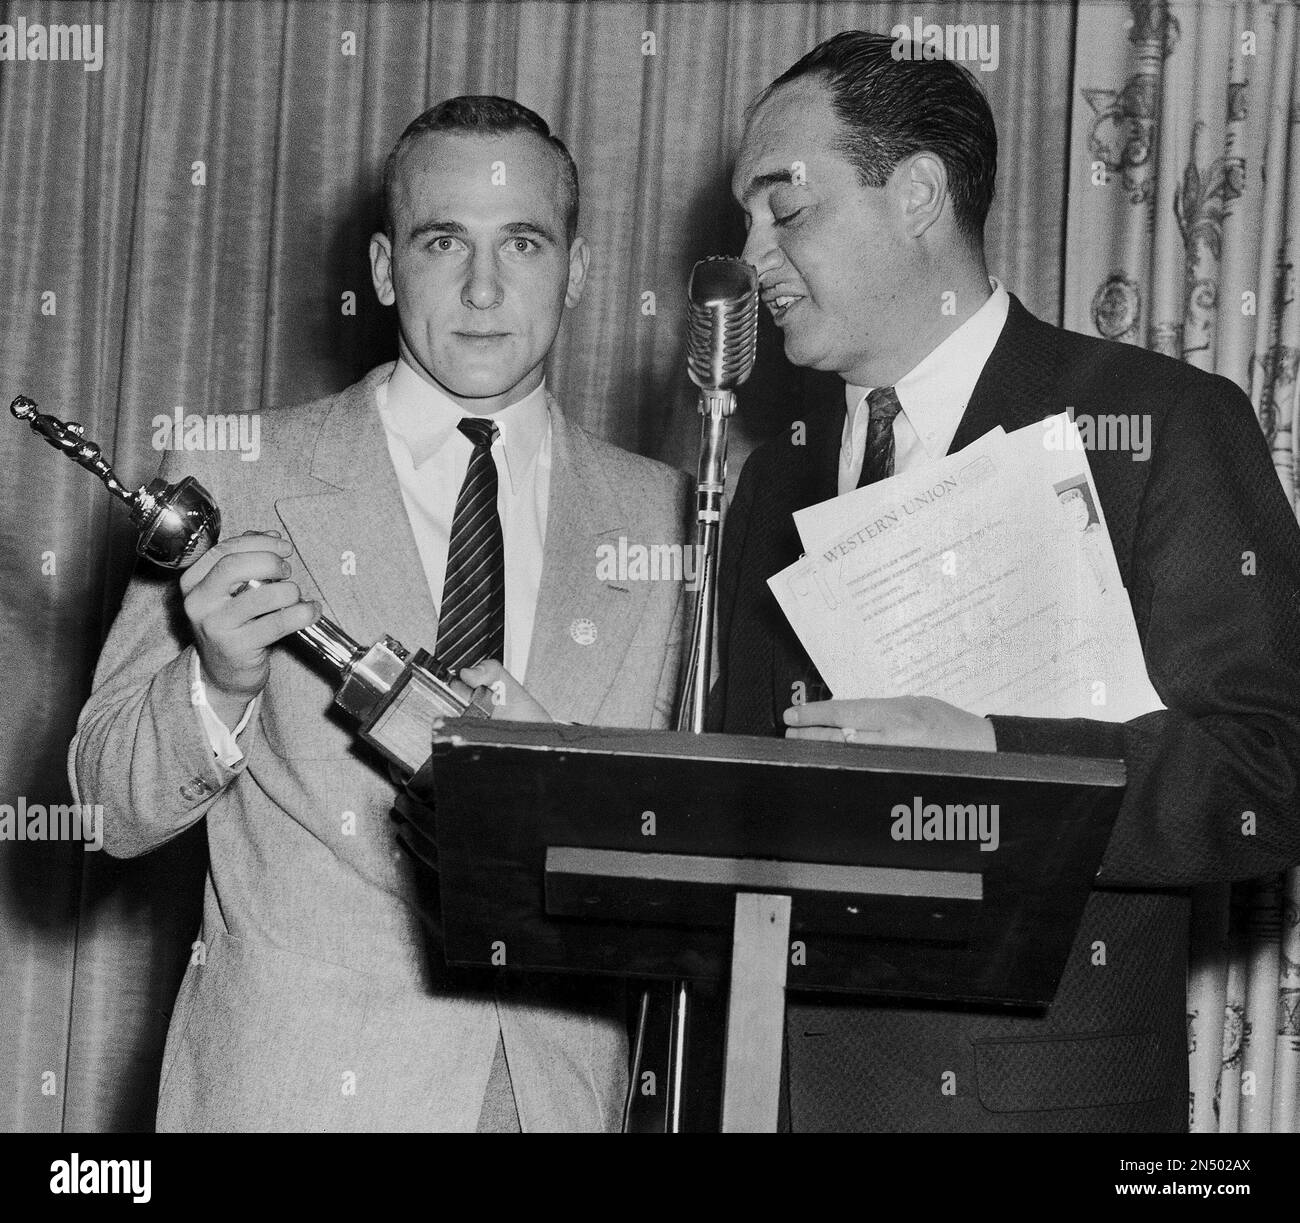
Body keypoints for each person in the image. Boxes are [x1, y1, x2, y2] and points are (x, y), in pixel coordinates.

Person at [714, 31, 1300, 1131]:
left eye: (784, 212)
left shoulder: (1162, 425)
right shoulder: (767, 478)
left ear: (919, 195)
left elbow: (1266, 773)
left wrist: (991, 753)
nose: (751, 257)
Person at [70, 96, 689, 1132]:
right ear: (383, 267)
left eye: (523, 243)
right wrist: (214, 685)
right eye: (442, 240)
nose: (484, 287)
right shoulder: (236, 472)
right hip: (291, 1097)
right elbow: (100, 804)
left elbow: (693, 858)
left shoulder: (674, 516)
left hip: (554, 1098)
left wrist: (569, 777)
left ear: (578, 269)